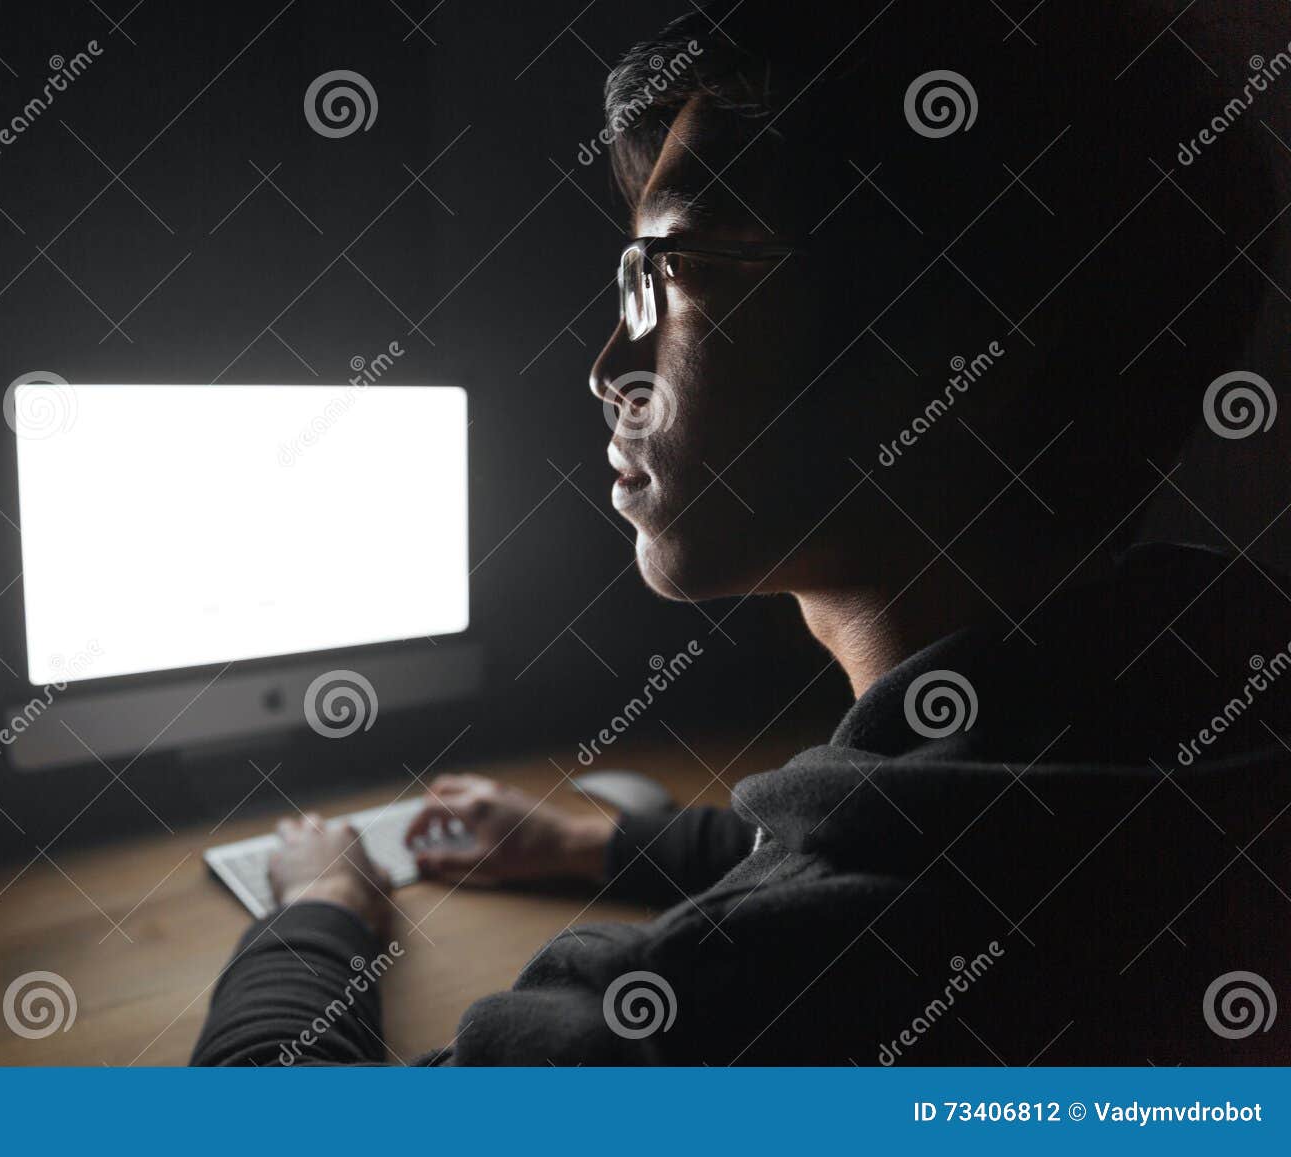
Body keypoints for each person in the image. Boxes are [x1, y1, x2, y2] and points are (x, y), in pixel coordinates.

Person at [194, 1, 1291, 1065]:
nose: (610, 367)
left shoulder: (757, 1000)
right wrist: (606, 840)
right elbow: (925, 822)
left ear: (964, 346)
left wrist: (322, 905)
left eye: (668, 271)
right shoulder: (1200, 707)